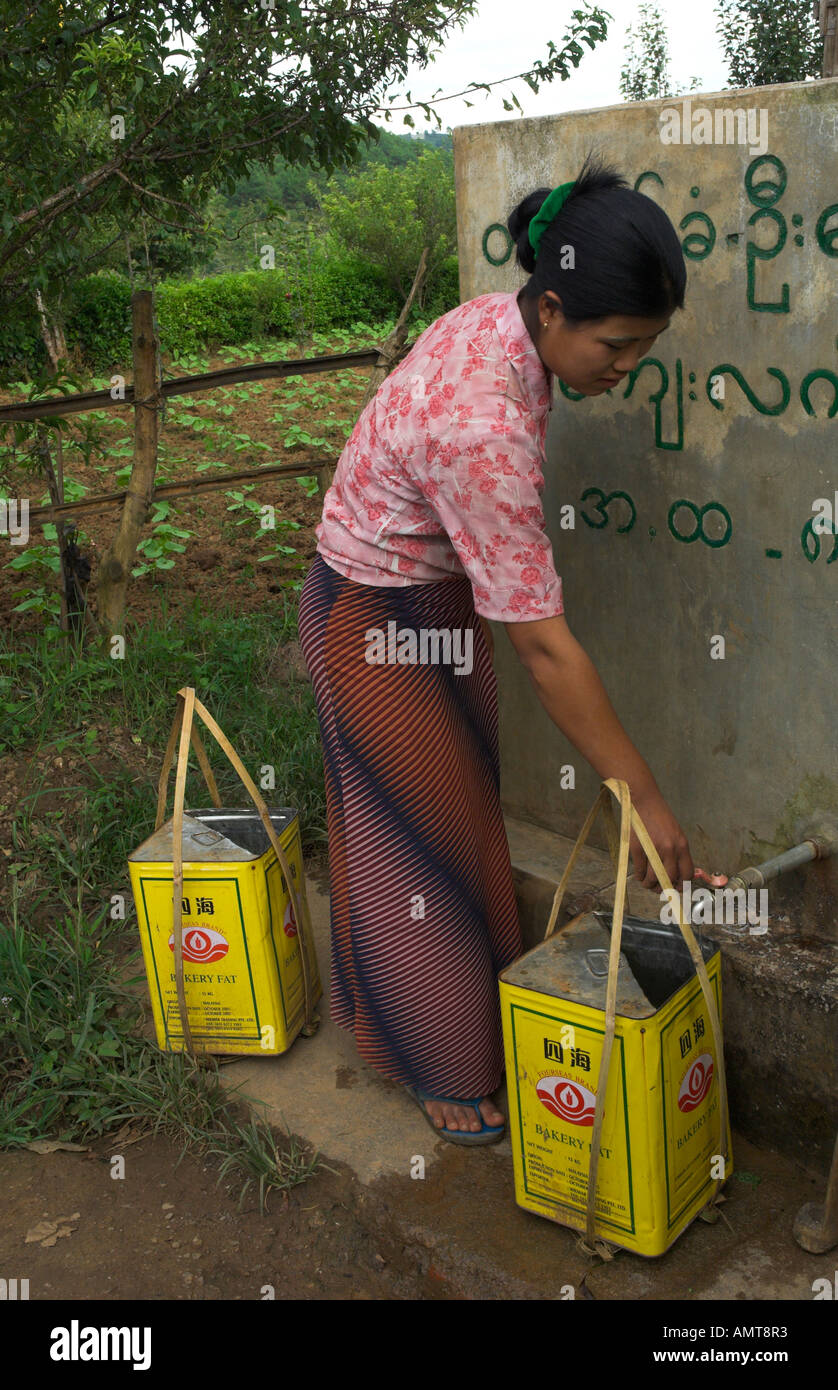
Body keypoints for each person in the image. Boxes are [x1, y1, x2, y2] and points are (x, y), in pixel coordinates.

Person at [297, 149, 695, 1147]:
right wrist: (641, 799)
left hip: (413, 595)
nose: (625, 366)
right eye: (616, 342)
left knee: (439, 813)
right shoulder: (481, 425)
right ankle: (445, 1063)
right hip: (373, 619)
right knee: (415, 844)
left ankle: (391, 1018)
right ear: (552, 309)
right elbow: (546, 647)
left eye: (644, 346)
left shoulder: (498, 322)